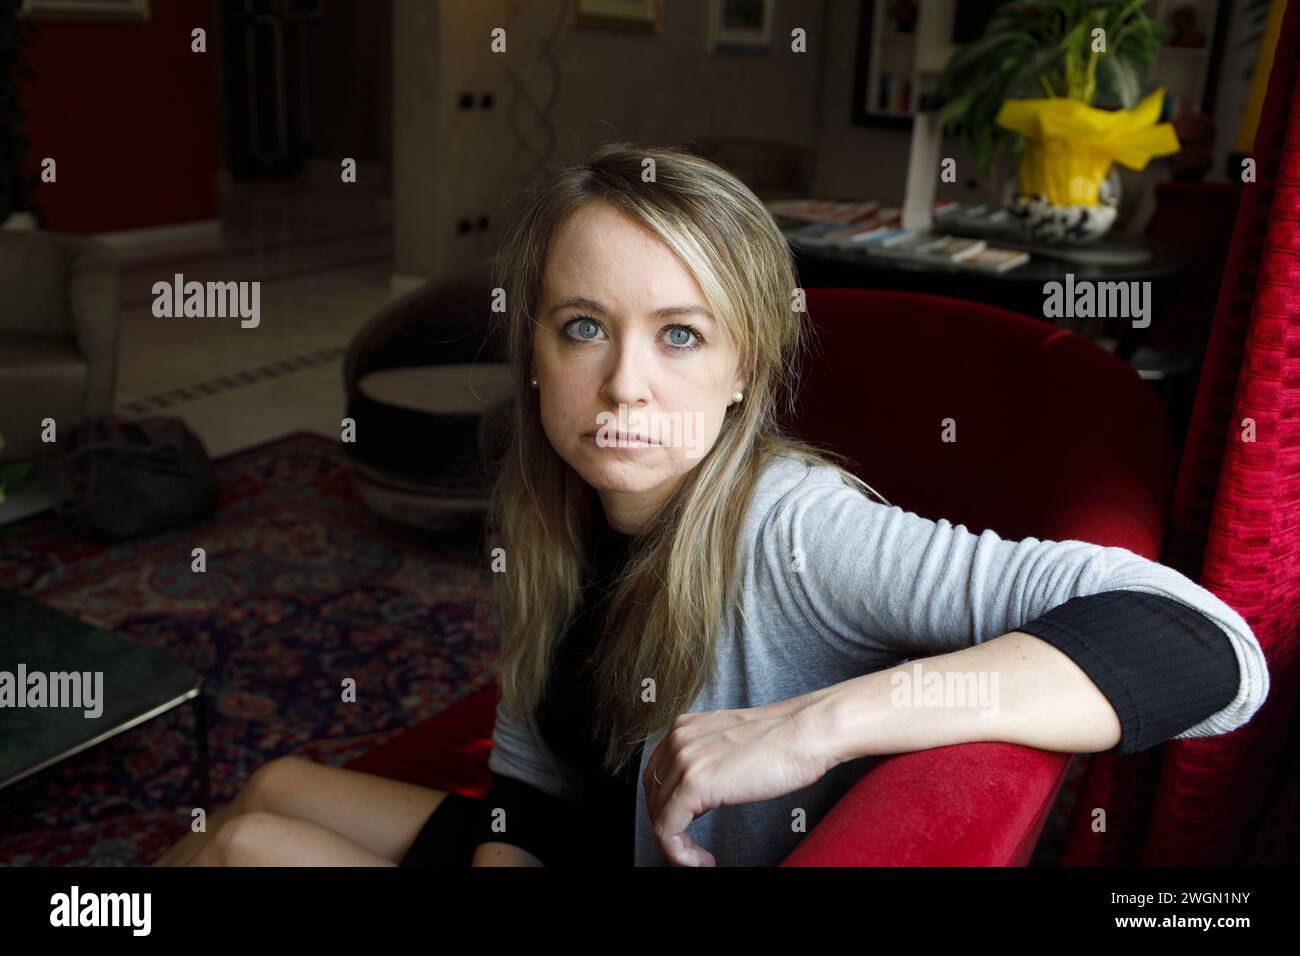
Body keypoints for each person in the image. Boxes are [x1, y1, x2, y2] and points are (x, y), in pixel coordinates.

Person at [153, 141, 1268, 868]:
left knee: (250, 848)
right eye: (583, 326)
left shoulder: (789, 528)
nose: (624, 384)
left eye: (679, 334)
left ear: (743, 367)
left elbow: (1205, 644)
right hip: (569, 846)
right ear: (534, 349)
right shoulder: (552, 496)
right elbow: (533, 789)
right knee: (264, 793)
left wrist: (813, 721)